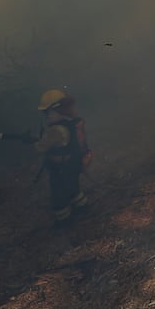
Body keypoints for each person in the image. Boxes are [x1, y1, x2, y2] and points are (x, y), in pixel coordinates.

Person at [35, 88, 93, 223]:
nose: (47, 116)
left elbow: (41, 147)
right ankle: (82, 206)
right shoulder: (70, 123)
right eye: (46, 112)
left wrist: (36, 142)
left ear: (58, 110)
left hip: (60, 168)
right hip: (73, 164)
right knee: (73, 186)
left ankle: (64, 220)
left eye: (49, 112)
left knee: (58, 195)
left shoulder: (56, 130)